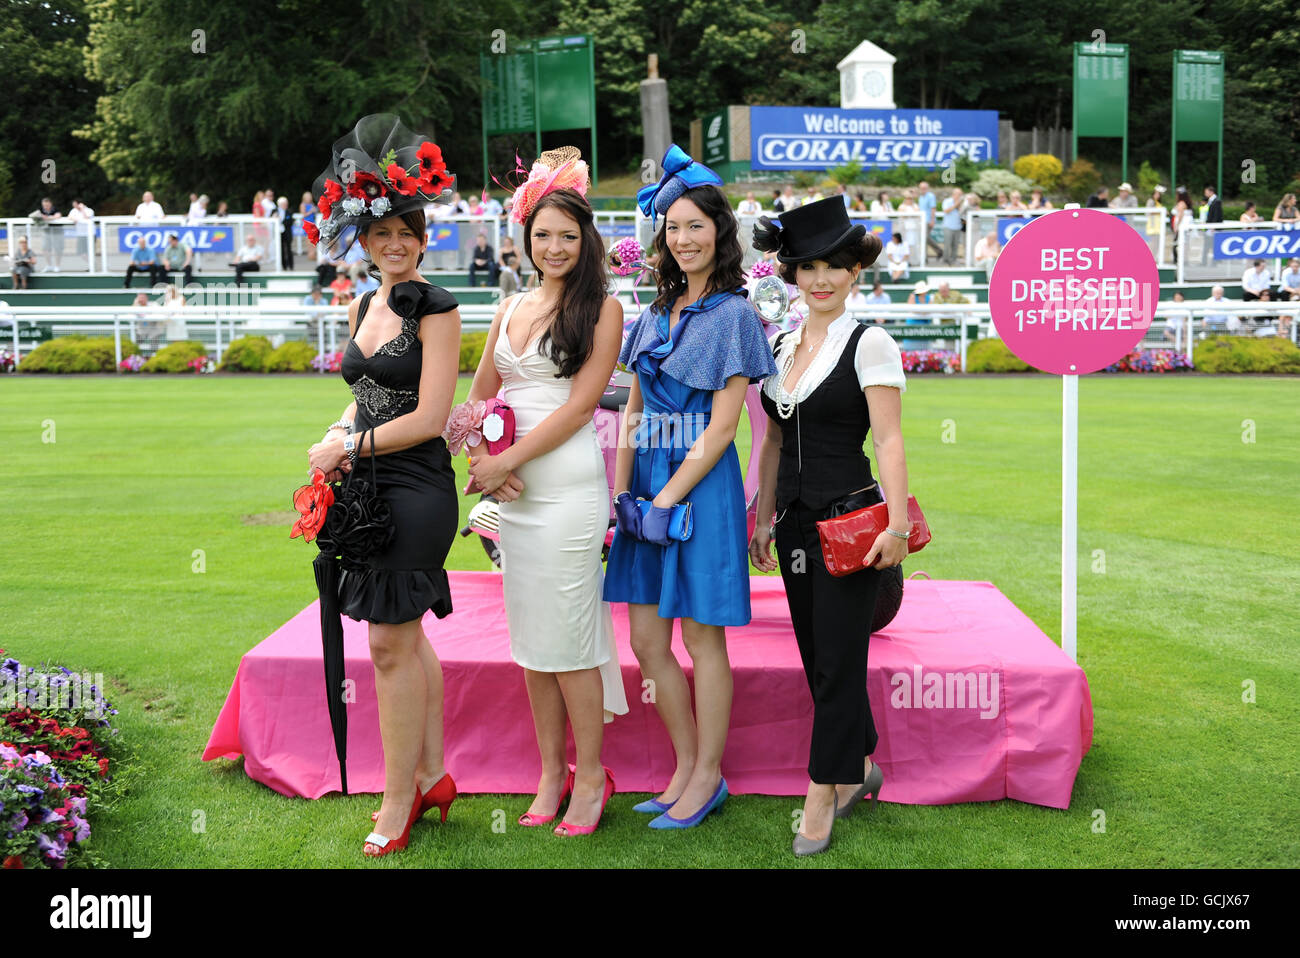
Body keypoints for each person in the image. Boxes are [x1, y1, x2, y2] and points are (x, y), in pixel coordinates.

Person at [603, 144, 777, 828]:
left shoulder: (735, 316)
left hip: (698, 491)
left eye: (696, 226)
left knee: (704, 641)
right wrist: (624, 497)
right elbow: (634, 411)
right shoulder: (649, 316)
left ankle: (708, 776)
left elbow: (723, 429)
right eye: (672, 228)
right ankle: (682, 765)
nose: (683, 238)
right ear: (661, 238)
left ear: (719, 232)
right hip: (643, 486)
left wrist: (666, 500)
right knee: (648, 642)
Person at [304, 113, 461, 859]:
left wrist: (347, 444)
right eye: (380, 235)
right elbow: (366, 390)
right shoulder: (365, 302)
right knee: (401, 638)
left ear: (423, 237)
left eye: (407, 232)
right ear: (362, 241)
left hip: (416, 486)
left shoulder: (437, 307)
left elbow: (431, 417)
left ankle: (397, 800)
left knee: (390, 645)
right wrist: (340, 435)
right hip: (365, 486)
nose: (394, 245)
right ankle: (431, 773)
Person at [461, 147, 629, 837]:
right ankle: (549, 771)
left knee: (567, 635)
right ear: (525, 238)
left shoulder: (604, 309)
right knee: (532, 641)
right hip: (514, 493)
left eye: (567, 235)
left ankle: (591, 777)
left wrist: (508, 464)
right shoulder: (507, 307)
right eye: (542, 235)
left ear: (583, 239)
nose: (554, 246)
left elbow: (579, 408)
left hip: (566, 490)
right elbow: (475, 400)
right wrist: (481, 455)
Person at [748, 196, 908, 857]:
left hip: (852, 525)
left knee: (839, 661)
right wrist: (762, 516)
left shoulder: (871, 341)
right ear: (792, 273)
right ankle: (859, 762)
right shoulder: (782, 343)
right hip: (793, 528)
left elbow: (891, 440)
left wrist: (897, 526)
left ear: (855, 272)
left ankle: (823, 791)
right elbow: (774, 442)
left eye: (834, 266)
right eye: (809, 266)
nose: (821, 278)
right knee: (819, 660)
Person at [29, 198, 63, 272]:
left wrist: (47, 218)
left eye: (47, 205)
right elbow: (34, 216)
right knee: (45, 249)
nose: (45, 207)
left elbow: (58, 216)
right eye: (44, 205)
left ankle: (57, 266)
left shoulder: (55, 209)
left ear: (50, 204)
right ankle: (49, 265)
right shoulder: (40, 210)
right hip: (46, 232)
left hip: (56, 232)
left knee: (57, 249)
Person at [940, 187, 964, 266]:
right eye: (958, 194)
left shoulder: (962, 203)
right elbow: (946, 211)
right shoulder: (947, 201)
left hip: (958, 226)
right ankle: (945, 260)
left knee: (955, 245)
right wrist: (955, 205)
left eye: (961, 194)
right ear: (954, 194)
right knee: (947, 244)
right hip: (948, 226)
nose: (960, 196)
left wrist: (959, 205)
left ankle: (953, 260)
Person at [277, 196, 295, 269]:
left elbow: (290, 222)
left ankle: (290, 266)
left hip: (287, 233)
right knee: (280, 249)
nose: (285, 205)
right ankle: (283, 266)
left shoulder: (289, 212)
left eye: (286, 204)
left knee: (288, 249)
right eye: (284, 204)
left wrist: (281, 221)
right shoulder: (275, 211)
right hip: (278, 233)